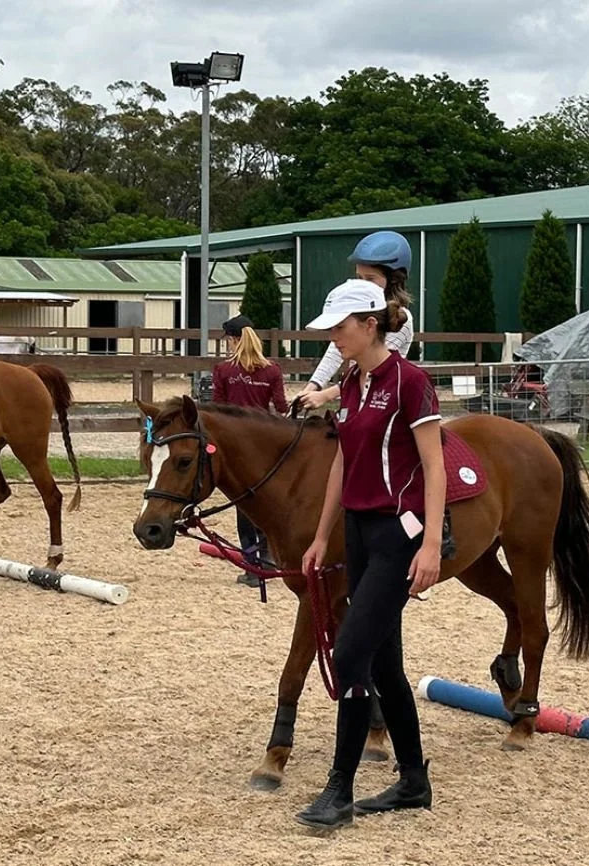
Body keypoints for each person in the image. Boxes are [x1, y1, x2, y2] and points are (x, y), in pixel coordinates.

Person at [294, 279, 446, 832]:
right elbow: (341, 464)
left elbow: (434, 465)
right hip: (358, 533)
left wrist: (430, 543)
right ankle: (413, 781)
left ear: (368, 324)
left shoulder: (410, 382)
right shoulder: (352, 385)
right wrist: (320, 534)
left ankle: (339, 788)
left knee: (351, 653)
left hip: (397, 535)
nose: (333, 338)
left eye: (339, 327)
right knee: (383, 662)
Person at [297, 231, 414, 412]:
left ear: (393, 279)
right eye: (359, 278)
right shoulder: (356, 310)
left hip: (382, 402)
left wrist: (324, 395)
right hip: (355, 396)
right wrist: (310, 388)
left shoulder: (400, 320)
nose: (363, 284)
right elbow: (333, 354)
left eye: (370, 279)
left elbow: (374, 372)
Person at [211, 314, 289, 588]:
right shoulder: (272, 370)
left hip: (236, 444)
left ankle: (251, 565)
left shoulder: (223, 370)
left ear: (233, 340)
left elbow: (218, 408)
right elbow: (280, 407)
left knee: (243, 503)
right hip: (265, 443)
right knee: (266, 499)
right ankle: (268, 557)